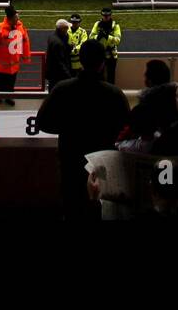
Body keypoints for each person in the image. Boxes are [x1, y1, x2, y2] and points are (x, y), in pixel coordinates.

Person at [35, 39, 130, 220]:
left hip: (70, 162)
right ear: (103, 63)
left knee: (72, 208)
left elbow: (42, 122)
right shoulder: (115, 94)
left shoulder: (63, 89)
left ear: (80, 59)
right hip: (103, 164)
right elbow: (126, 129)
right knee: (102, 210)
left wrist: (67, 127)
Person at [0, 5, 30, 104]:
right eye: (16, 16)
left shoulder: (20, 27)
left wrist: (26, 56)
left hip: (14, 63)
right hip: (1, 64)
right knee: (0, 82)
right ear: (11, 18)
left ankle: (9, 97)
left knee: (11, 82)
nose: (18, 18)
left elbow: (25, 41)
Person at [89, 6, 122, 84]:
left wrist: (108, 37)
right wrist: (98, 37)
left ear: (110, 15)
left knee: (111, 76)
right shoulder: (97, 24)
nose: (106, 17)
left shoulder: (115, 26)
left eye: (107, 16)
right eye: (104, 16)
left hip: (112, 54)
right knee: (99, 76)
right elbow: (91, 37)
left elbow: (117, 41)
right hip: (99, 54)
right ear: (101, 15)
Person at [45, 19, 74, 89]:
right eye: (66, 28)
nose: (68, 30)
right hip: (58, 75)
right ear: (62, 29)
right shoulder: (58, 43)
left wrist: (68, 47)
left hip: (52, 73)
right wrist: (68, 75)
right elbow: (60, 62)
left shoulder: (52, 36)